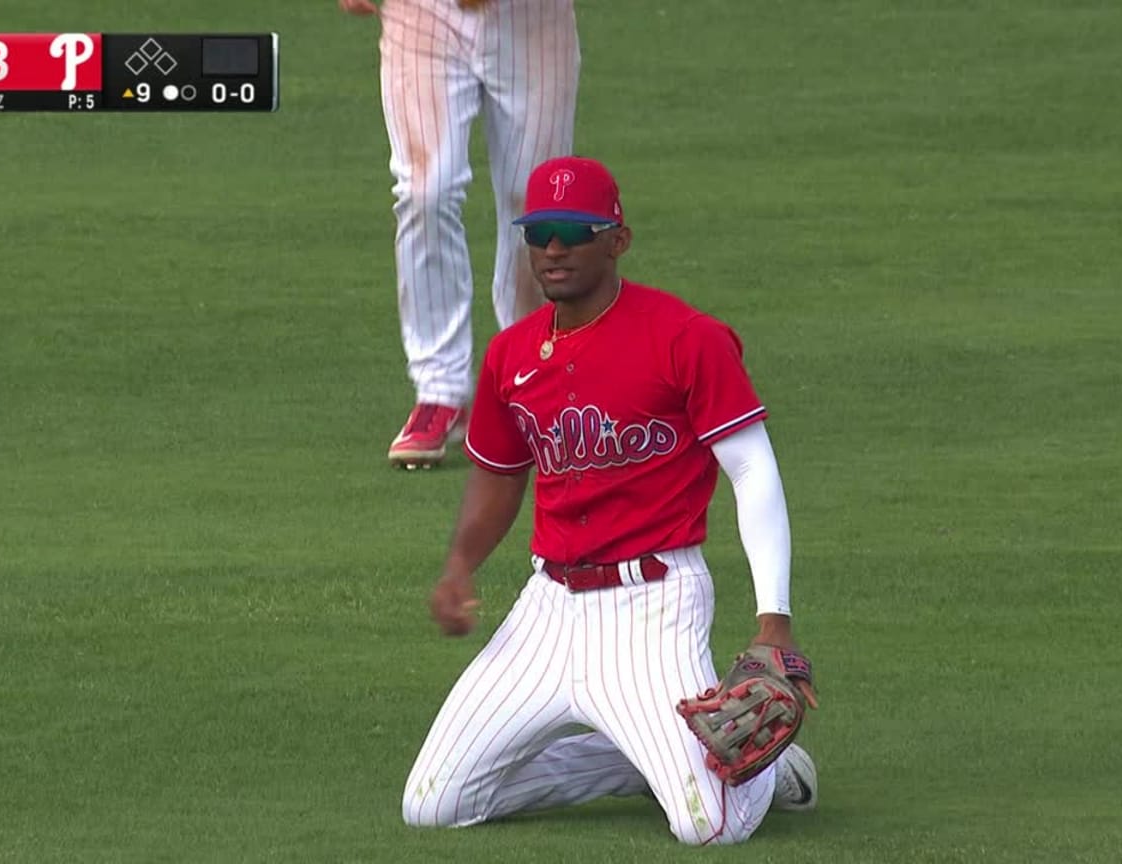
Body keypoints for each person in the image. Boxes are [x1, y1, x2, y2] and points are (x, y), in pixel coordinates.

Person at [400, 155, 820, 845]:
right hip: (546, 613)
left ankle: (766, 775)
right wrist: (459, 568)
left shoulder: (686, 338)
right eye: (539, 233)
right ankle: (644, 760)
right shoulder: (511, 354)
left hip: (652, 606)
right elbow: (501, 474)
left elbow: (753, 471)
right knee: (433, 805)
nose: (554, 248)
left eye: (573, 230)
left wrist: (774, 616)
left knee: (706, 828)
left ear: (617, 240)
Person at [338, 0, 582, 469]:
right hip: (422, 13)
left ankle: (528, 376)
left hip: (531, 17)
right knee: (423, 190)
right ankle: (440, 391)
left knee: (533, 198)